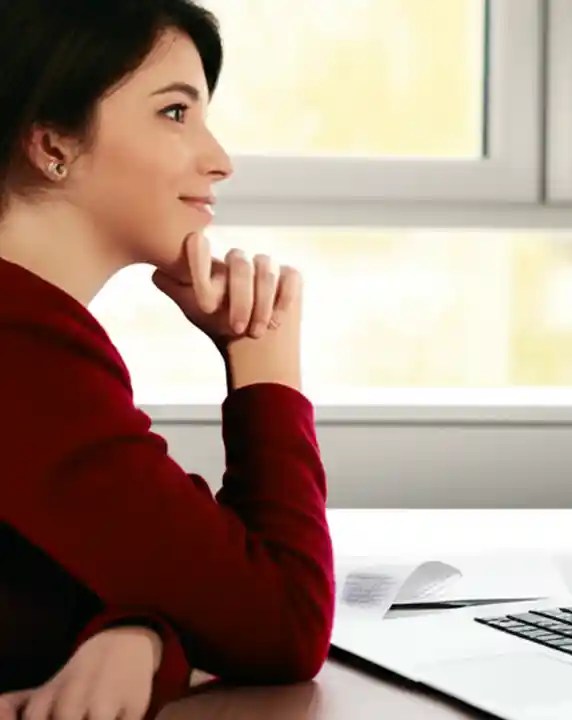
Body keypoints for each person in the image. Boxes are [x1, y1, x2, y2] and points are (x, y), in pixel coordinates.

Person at [0, 1, 336, 718]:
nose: (219, 160)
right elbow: (282, 621)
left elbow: (63, 589)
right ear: (52, 142)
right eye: (175, 113)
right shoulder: (22, 346)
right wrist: (264, 360)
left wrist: (137, 631)